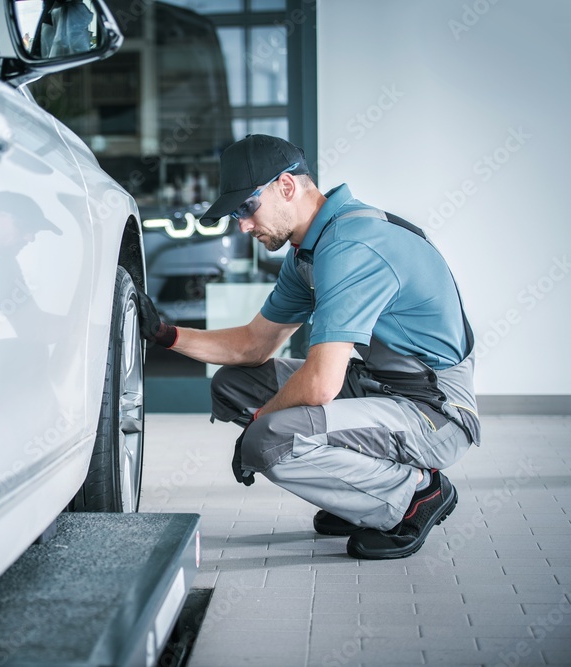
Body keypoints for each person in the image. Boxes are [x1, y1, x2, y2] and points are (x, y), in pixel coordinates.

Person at [138, 135, 480, 559]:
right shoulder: (310, 251)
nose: (243, 226)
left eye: (246, 207)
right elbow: (252, 345)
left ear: (286, 186)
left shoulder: (351, 245)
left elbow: (320, 384)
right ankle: (360, 499)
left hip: (435, 414)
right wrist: (166, 335)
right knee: (235, 385)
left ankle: (416, 494)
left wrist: (259, 428)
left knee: (269, 440)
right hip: (380, 387)